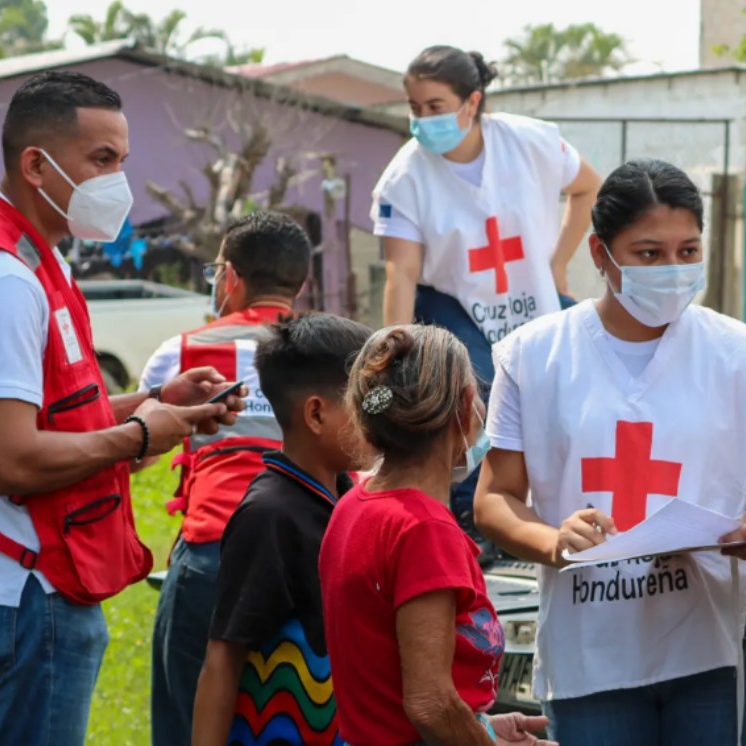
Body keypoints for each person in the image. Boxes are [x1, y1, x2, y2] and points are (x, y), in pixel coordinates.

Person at [0, 70, 242, 746]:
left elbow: (49, 418)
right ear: (36, 165)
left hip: (7, 590)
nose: (118, 182)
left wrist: (159, 402)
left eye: (122, 161)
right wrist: (137, 435)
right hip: (23, 591)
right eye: (101, 160)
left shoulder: (27, 255)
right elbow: (13, 458)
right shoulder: (1, 279)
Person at [473, 159, 746, 746]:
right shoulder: (534, 357)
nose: (673, 270)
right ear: (601, 256)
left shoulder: (743, 357)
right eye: (649, 254)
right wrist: (553, 540)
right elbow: (496, 497)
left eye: (688, 251)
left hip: (715, 636)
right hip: (593, 640)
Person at [372, 45, 602, 551]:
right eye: (414, 108)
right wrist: (395, 346)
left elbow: (589, 187)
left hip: (533, 298)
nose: (422, 120)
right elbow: (401, 270)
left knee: (560, 401)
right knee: (477, 413)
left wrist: (559, 260)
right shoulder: (405, 178)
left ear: (472, 102)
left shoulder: (529, 141)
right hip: (451, 307)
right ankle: (476, 536)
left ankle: (553, 517)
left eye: (435, 107)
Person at [320, 324, 556, 746]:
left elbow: (385, 683)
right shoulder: (424, 530)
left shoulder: (352, 508)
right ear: (467, 407)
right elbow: (430, 705)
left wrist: (481, 728)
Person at [137, 210, 313, 746]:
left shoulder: (183, 353)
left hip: (212, 551)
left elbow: (133, 451)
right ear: (299, 283)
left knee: (187, 714)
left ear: (230, 277)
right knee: (299, 709)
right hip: (310, 555)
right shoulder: (333, 352)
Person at [191, 312, 372, 746]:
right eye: (367, 405)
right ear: (315, 413)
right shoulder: (269, 515)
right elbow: (223, 658)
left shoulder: (345, 497)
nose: (379, 421)